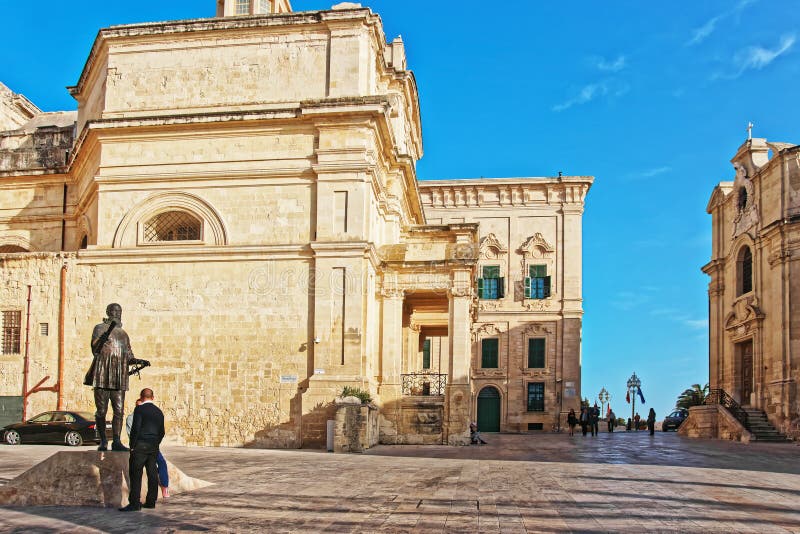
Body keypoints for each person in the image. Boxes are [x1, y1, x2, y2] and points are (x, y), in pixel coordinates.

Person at [85, 303, 149, 451]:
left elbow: (129, 356)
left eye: (119, 311)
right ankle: (103, 441)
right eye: (114, 310)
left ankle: (117, 441)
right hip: (102, 374)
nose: (117, 313)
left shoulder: (123, 334)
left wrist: (140, 362)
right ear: (108, 312)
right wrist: (105, 335)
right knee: (101, 411)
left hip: (118, 376)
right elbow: (95, 349)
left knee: (119, 410)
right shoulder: (99, 328)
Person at [120, 388, 165, 512]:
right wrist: (156, 442)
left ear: (141, 397)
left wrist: (132, 445)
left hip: (140, 445)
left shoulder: (139, 410)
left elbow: (135, 429)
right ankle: (151, 501)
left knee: (136, 474)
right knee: (152, 473)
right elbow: (162, 432)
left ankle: (135, 503)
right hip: (153, 446)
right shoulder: (159, 412)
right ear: (153, 397)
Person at [127, 398, 169, 499]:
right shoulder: (131, 417)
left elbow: (160, 431)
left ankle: (163, 487)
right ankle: (142, 500)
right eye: (138, 405)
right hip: (140, 446)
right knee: (139, 472)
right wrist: (133, 446)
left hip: (150, 446)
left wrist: (155, 443)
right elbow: (131, 432)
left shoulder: (150, 415)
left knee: (158, 466)